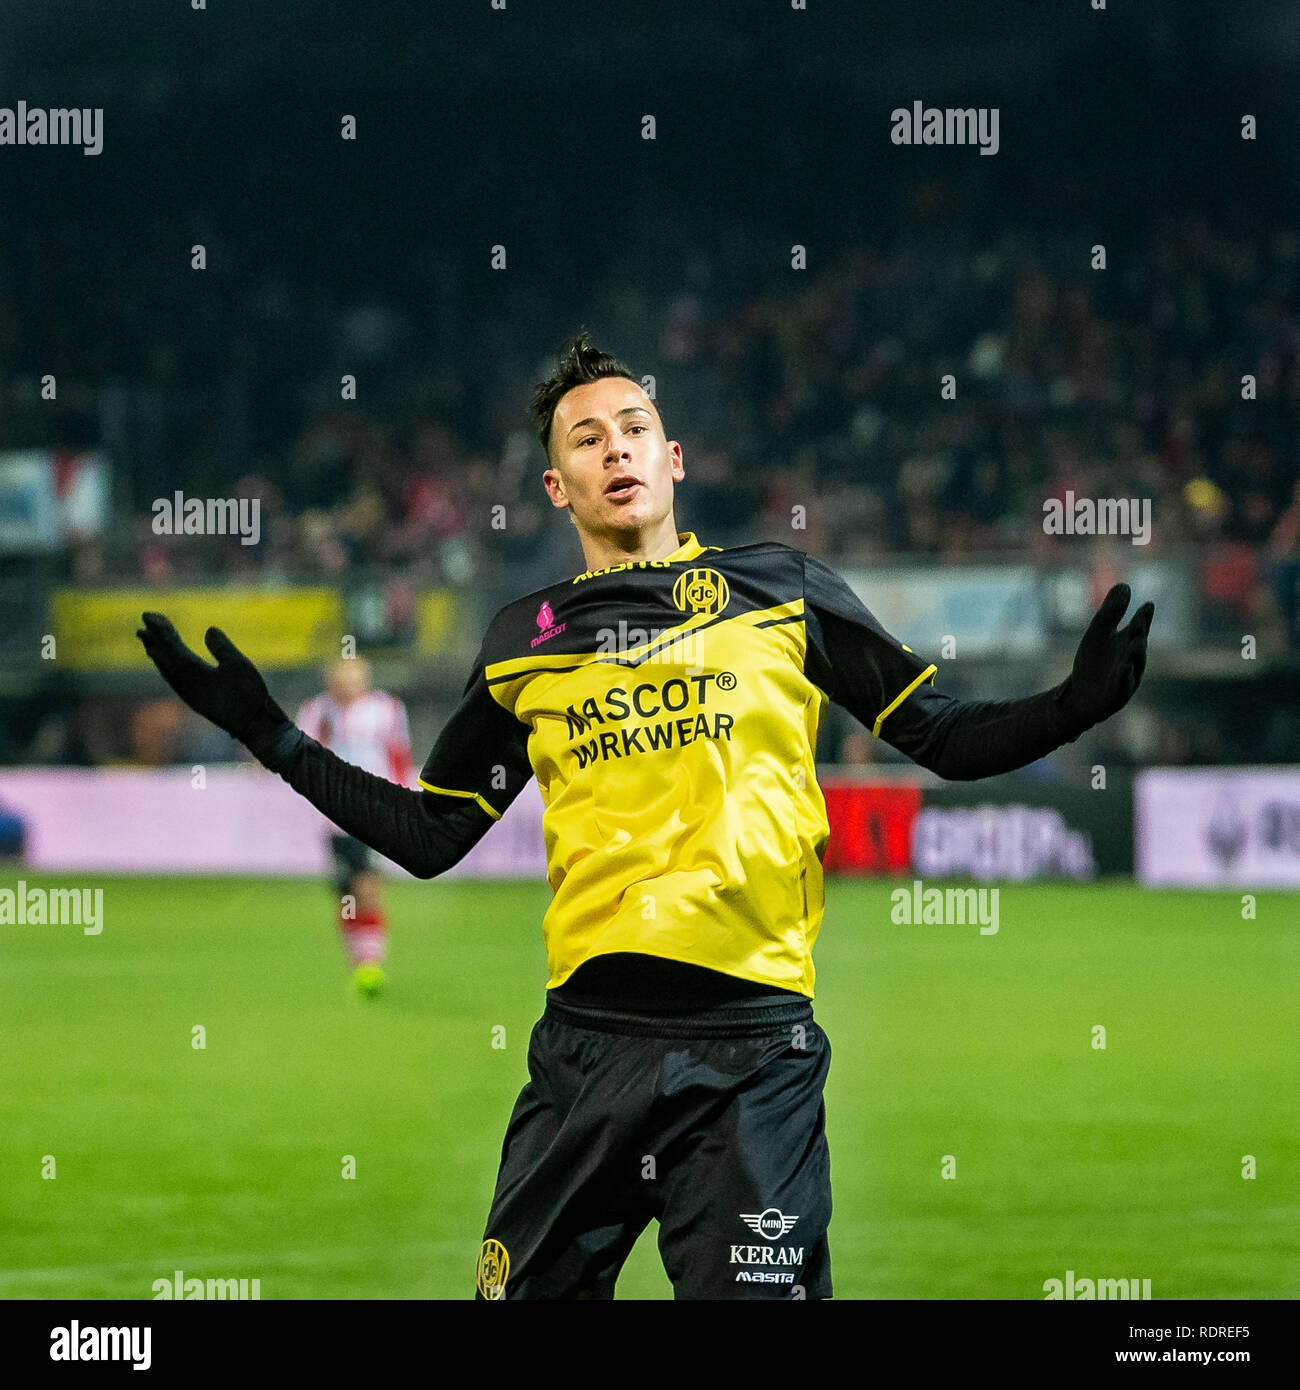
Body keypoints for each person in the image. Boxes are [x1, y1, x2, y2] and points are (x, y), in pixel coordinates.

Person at [137, 331, 1153, 1300]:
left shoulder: (781, 589)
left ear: (671, 458)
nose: (613, 446)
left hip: (750, 1057)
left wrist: (1073, 706)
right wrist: (270, 733)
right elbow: (429, 835)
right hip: (583, 1054)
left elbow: (941, 734)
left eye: (631, 427)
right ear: (555, 486)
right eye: (585, 437)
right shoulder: (522, 640)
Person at [296, 657, 412, 996]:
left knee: (368, 885)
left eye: (354, 677)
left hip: (374, 810)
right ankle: (358, 959)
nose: (347, 683)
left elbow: (398, 754)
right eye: (341, 677)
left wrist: (401, 801)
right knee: (345, 892)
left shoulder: (387, 709)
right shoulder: (316, 711)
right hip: (334, 817)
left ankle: (371, 965)